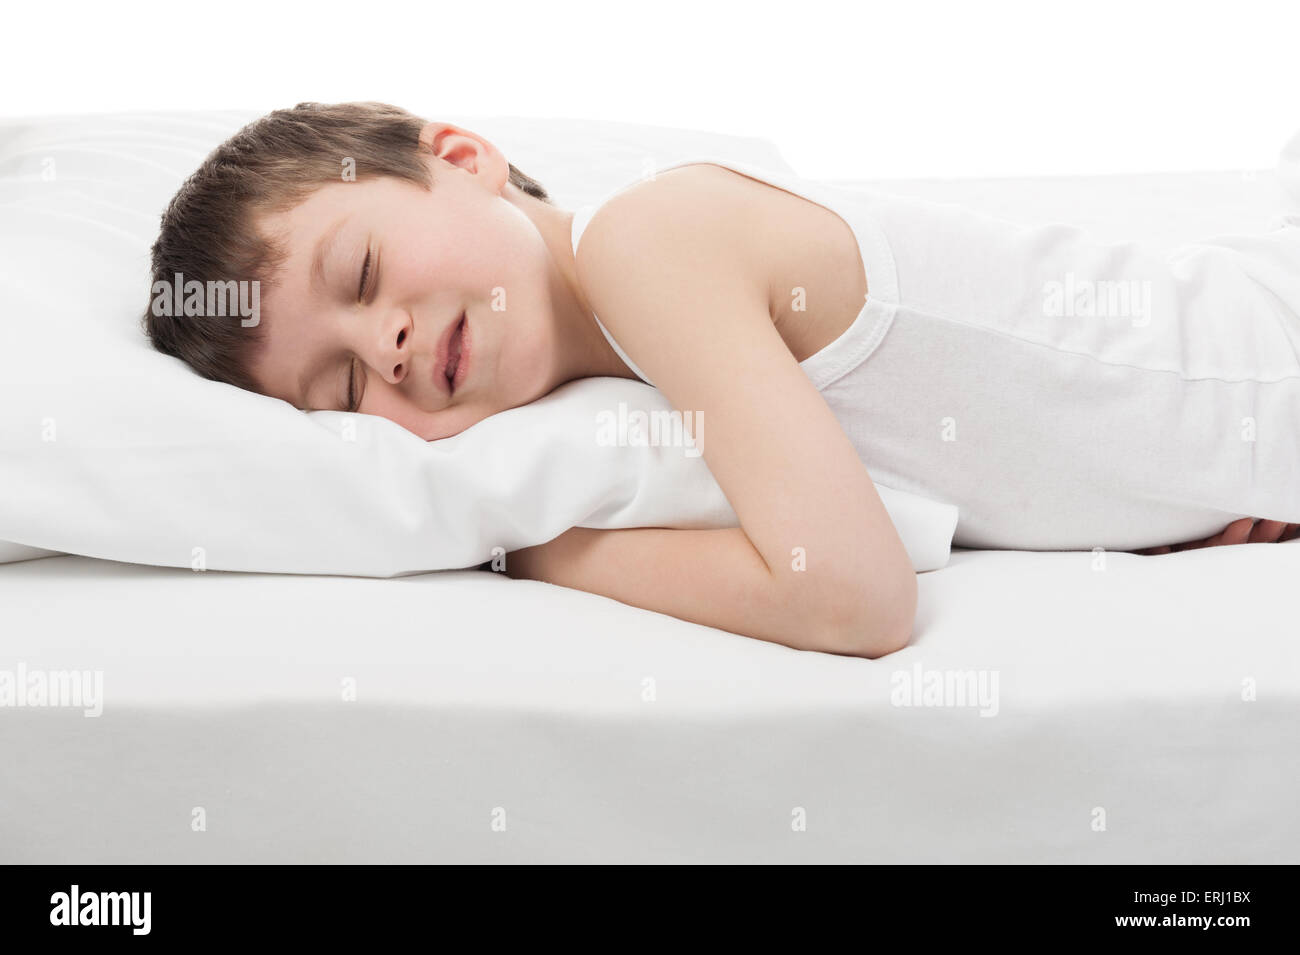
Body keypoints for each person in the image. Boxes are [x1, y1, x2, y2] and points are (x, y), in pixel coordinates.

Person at [143, 101, 1300, 656]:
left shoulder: (645, 245)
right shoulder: (637, 395)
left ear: (459, 159)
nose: (386, 349)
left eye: (362, 271)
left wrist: (532, 546)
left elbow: (852, 600)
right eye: (345, 391)